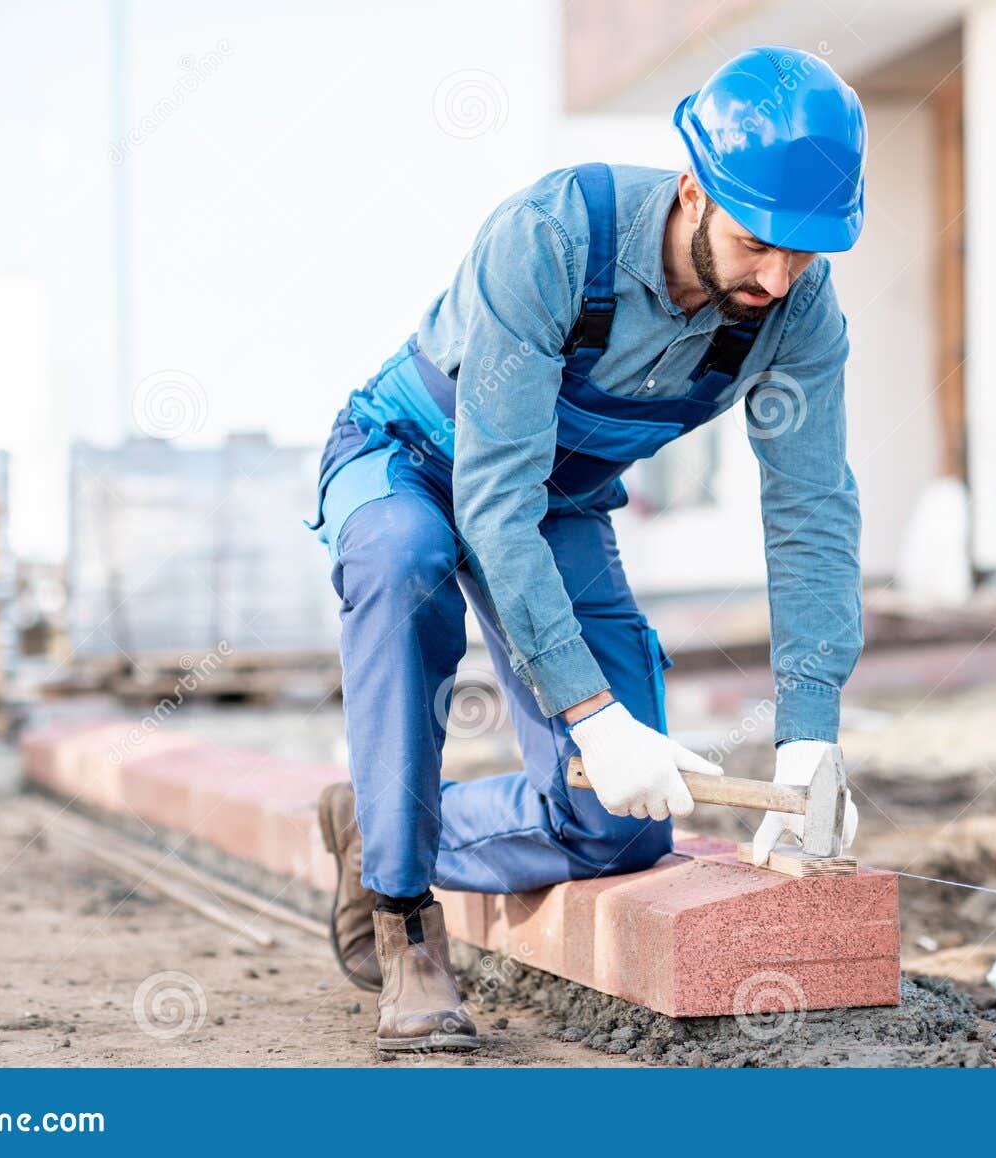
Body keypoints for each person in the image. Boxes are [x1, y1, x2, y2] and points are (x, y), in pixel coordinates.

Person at [308, 46, 866, 1052]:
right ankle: (403, 914)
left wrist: (809, 739)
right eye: (757, 244)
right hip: (412, 460)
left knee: (619, 830)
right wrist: (594, 715)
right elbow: (489, 497)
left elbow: (812, 512)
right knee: (403, 561)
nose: (777, 279)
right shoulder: (554, 237)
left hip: (555, 500)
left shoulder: (797, 314)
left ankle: (377, 824)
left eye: (805, 254)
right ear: (693, 192)